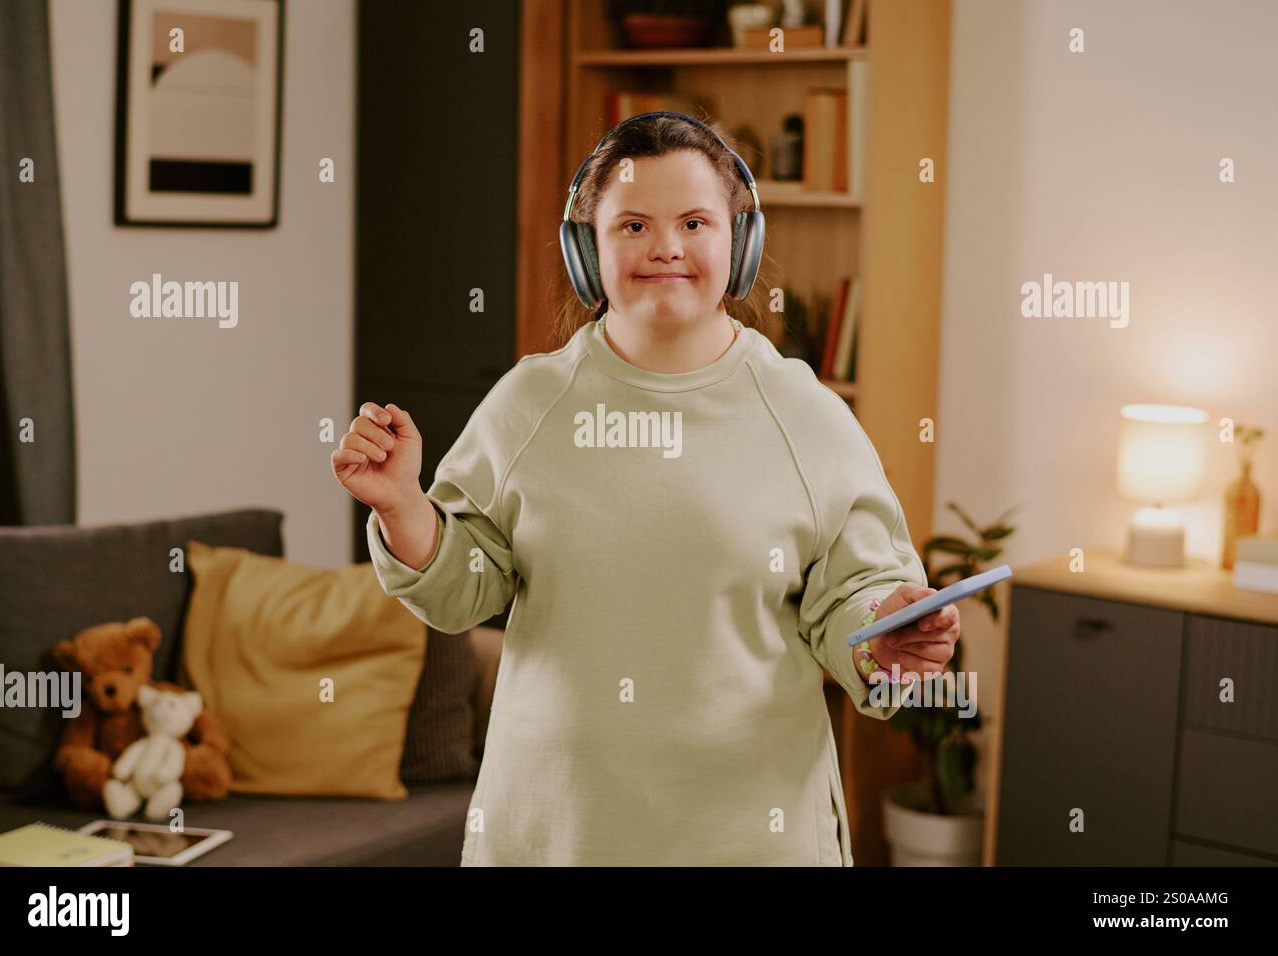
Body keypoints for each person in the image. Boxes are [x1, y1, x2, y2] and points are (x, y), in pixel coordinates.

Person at [332, 113, 960, 866]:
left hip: (748, 837)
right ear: (586, 252)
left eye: (694, 222)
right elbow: (462, 588)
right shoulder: (529, 404)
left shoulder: (807, 417)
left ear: (741, 242)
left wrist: (883, 637)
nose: (665, 247)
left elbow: (856, 597)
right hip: (556, 830)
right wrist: (404, 505)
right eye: (632, 225)